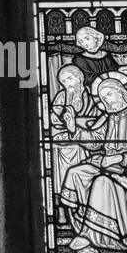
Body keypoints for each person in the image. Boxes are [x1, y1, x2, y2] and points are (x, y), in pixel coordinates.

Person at [59, 69, 127, 251]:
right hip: (108, 164)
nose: (108, 101)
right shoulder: (109, 116)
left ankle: (94, 234)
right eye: (104, 99)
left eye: (110, 94)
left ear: (121, 91)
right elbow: (96, 141)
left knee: (101, 182)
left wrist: (119, 159)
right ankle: (80, 225)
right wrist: (73, 129)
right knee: (76, 173)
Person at [50, 63, 97, 193]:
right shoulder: (61, 96)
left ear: (80, 78)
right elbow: (53, 118)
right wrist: (57, 119)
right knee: (55, 146)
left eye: (70, 79)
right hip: (63, 137)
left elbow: (95, 122)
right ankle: (61, 192)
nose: (67, 84)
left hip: (84, 137)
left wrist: (75, 123)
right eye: (64, 81)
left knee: (77, 147)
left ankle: (79, 193)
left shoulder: (92, 97)